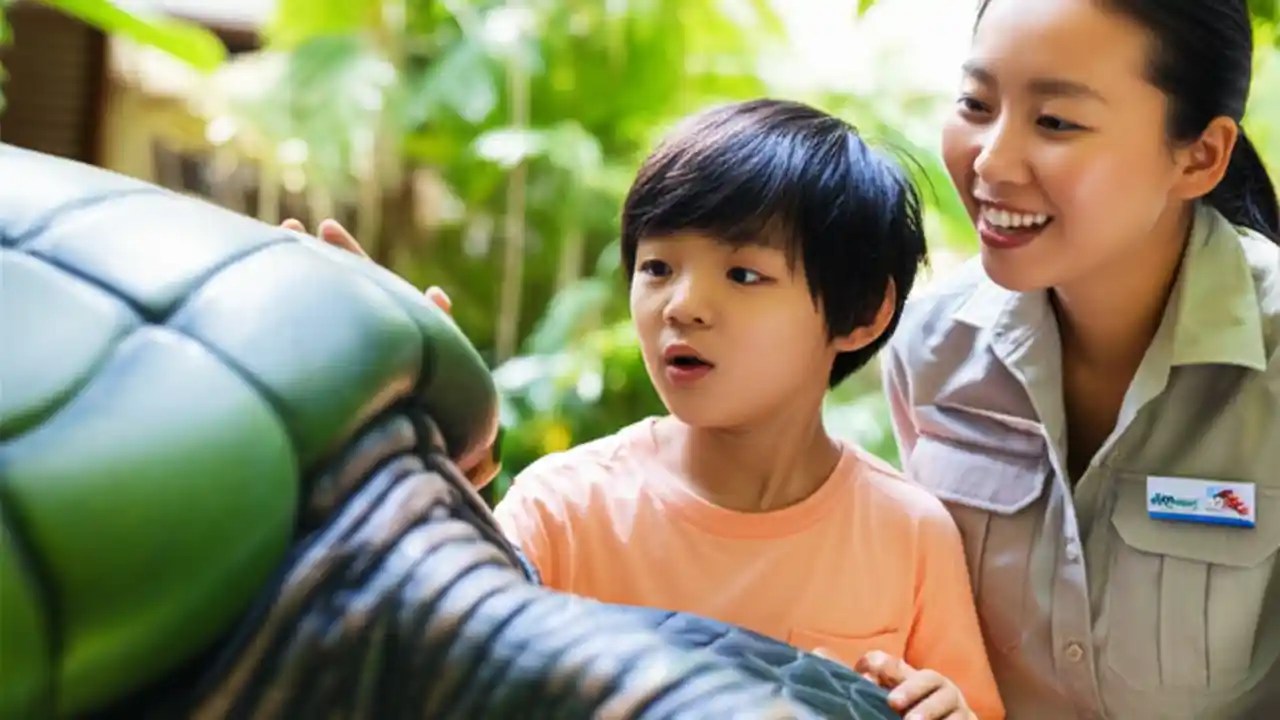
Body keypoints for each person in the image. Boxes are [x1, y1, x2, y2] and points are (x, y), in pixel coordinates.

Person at [295, 99, 1006, 720]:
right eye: (657, 267)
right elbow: (436, 657)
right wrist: (407, 439)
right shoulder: (564, 509)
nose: (683, 305)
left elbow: (965, 707)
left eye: (744, 273)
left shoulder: (909, 535)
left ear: (862, 312)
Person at [878, 0, 1280, 717]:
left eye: (1057, 121)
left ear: (1200, 155)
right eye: (976, 103)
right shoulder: (930, 349)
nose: (991, 161)